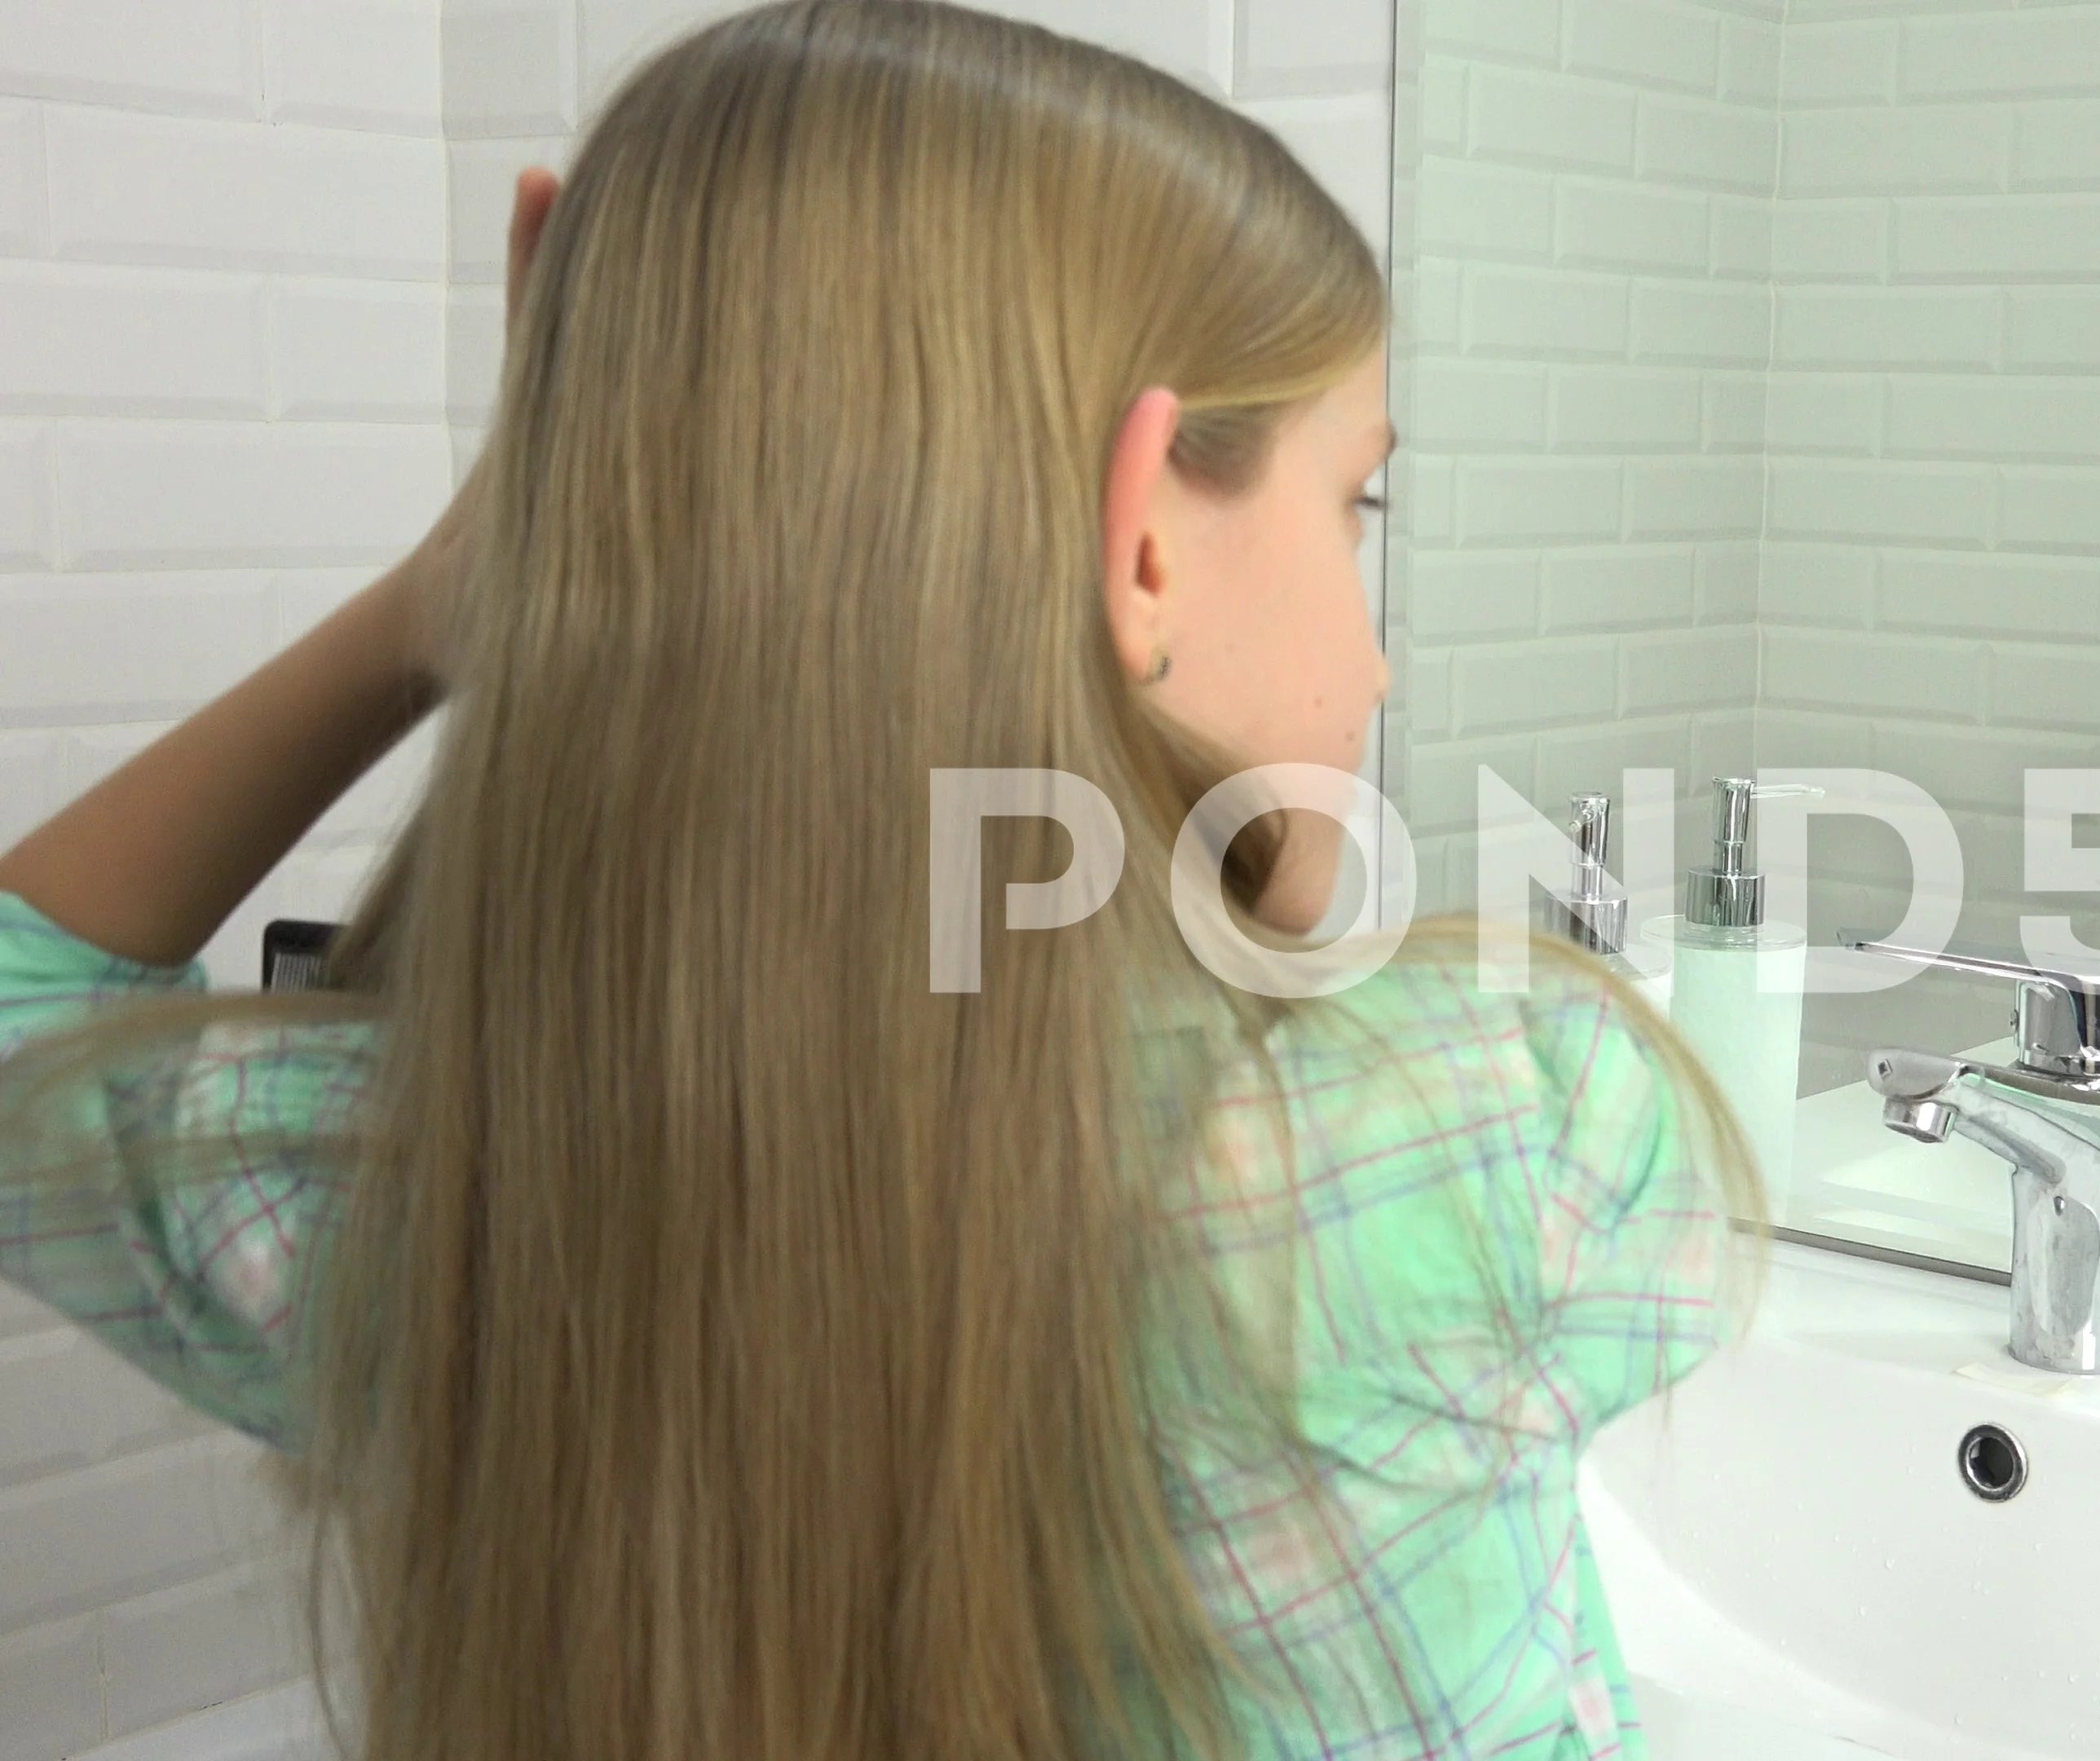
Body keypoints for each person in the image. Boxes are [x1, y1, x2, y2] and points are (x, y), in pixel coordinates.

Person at [0, 5, 1745, 1756]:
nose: (1372, 665)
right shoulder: (1502, 1115)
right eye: (1358, 503)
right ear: (1141, 541)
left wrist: (479, 575)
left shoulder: (437, 1207)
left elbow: (22, 1005)